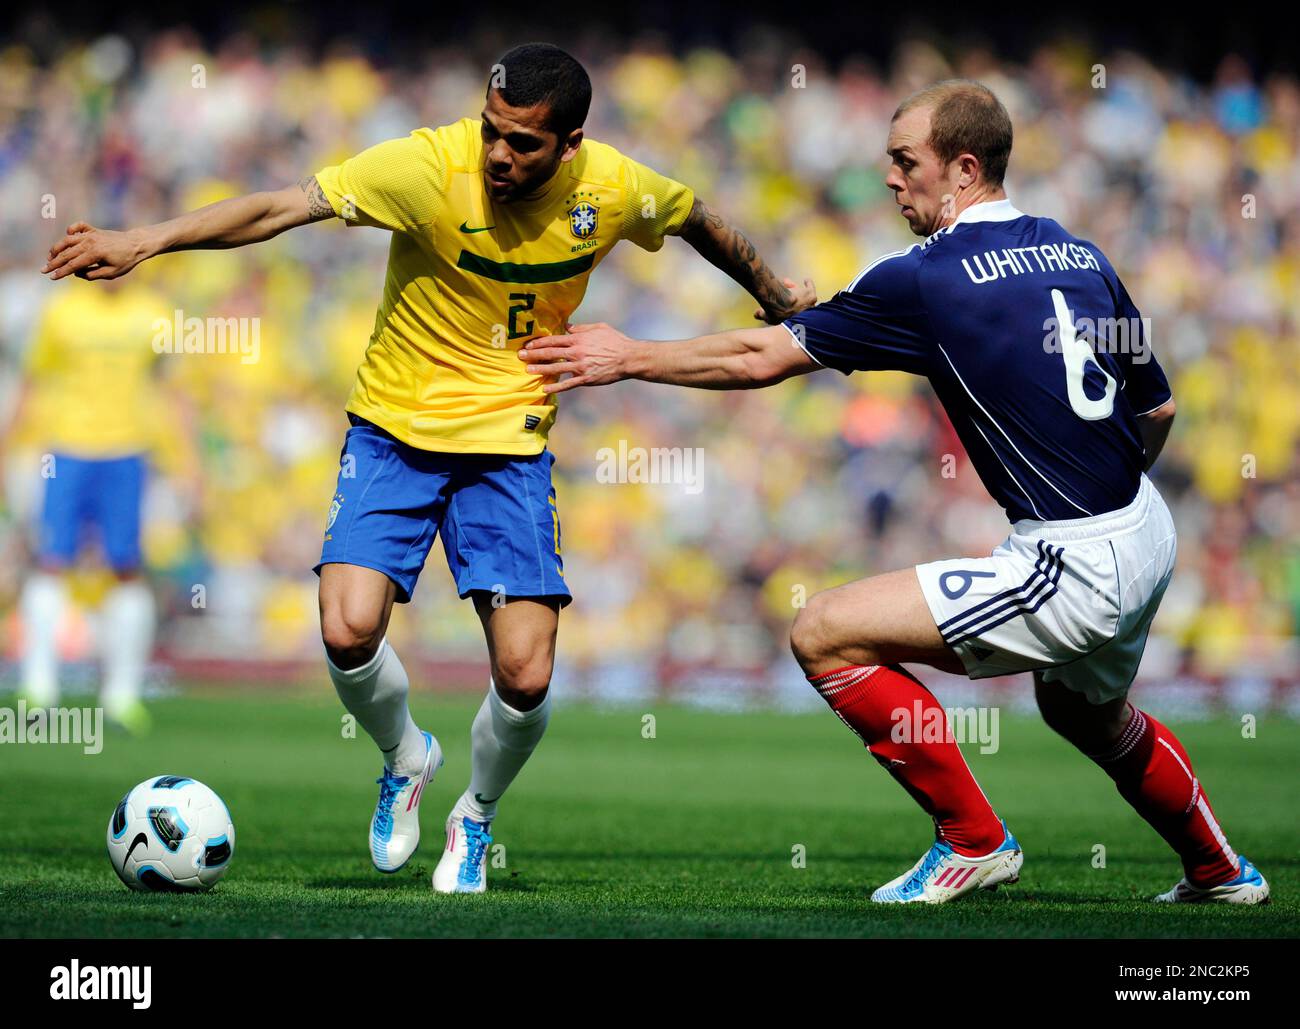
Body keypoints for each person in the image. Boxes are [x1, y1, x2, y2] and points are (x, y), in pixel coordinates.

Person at [42, 42, 813, 894]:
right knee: (345, 627)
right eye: (491, 131)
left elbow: (695, 215)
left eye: (522, 142)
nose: (497, 154)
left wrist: (774, 290)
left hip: (510, 444)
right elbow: (281, 208)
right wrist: (146, 240)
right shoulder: (422, 166)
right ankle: (406, 757)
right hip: (394, 427)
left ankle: (474, 815)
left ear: (572, 143)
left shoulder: (617, 188)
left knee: (525, 673)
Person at [518, 79, 1269, 906]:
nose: (888, 178)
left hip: (1077, 562)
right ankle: (1221, 870)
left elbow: (757, 358)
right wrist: (1104, 489)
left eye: (906, 161)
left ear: (964, 168)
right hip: (1144, 526)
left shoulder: (927, 277)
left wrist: (629, 356)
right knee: (1083, 713)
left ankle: (972, 840)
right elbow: (1156, 407)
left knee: (823, 631)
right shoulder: (1077, 251)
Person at [3, 278, 184, 735]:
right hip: (65, 450)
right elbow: (34, 379)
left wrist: (188, 457)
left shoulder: (153, 309)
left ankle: (122, 696)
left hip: (128, 452)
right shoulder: (62, 310)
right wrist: (7, 447)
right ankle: (39, 687)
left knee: (126, 567)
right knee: (51, 562)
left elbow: (169, 387)